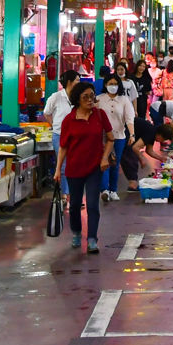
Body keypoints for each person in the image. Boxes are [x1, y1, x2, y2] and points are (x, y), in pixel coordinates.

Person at [54, 82, 114, 254]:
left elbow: (110, 138)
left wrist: (105, 158)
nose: (90, 100)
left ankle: (92, 239)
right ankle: (76, 232)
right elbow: (63, 147)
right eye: (85, 97)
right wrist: (58, 169)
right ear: (77, 99)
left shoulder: (100, 115)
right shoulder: (69, 120)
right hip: (74, 169)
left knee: (93, 205)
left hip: (95, 168)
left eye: (92, 96)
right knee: (74, 205)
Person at [96, 74, 135, 202]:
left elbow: (129, 119)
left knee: (115, 163)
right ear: (105, 85)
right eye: (110, 84)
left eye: (115, 84)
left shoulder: (124, 100)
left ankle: (113, 190)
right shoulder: (99, 99)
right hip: (102, 137)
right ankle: (104, 190)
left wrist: (132, 134)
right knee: (104, 161)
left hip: (119, 137)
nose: (113, 86)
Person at [43, 70, 77, 206]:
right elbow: (47, 113)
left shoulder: (78, 97)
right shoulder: (56, 97)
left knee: (74, 165)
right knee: (62, 165)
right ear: (69, 82)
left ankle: (73, 194)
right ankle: (64, 195)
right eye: (77, 80)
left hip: (76, 136)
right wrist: (54, 125)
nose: (79, 83)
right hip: (60, 135)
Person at [121, 120, 173, 189]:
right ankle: (132, 185)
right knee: (130, 156)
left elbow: (149, 150)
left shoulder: (153, 133)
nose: (162, 141)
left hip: (128, 133)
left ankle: (133, 183)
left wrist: (160, 158)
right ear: (160, 135)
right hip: (125, 132)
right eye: (163, 139)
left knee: (131, 155)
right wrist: (142, 158)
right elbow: (135, 147)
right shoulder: (151, 132)